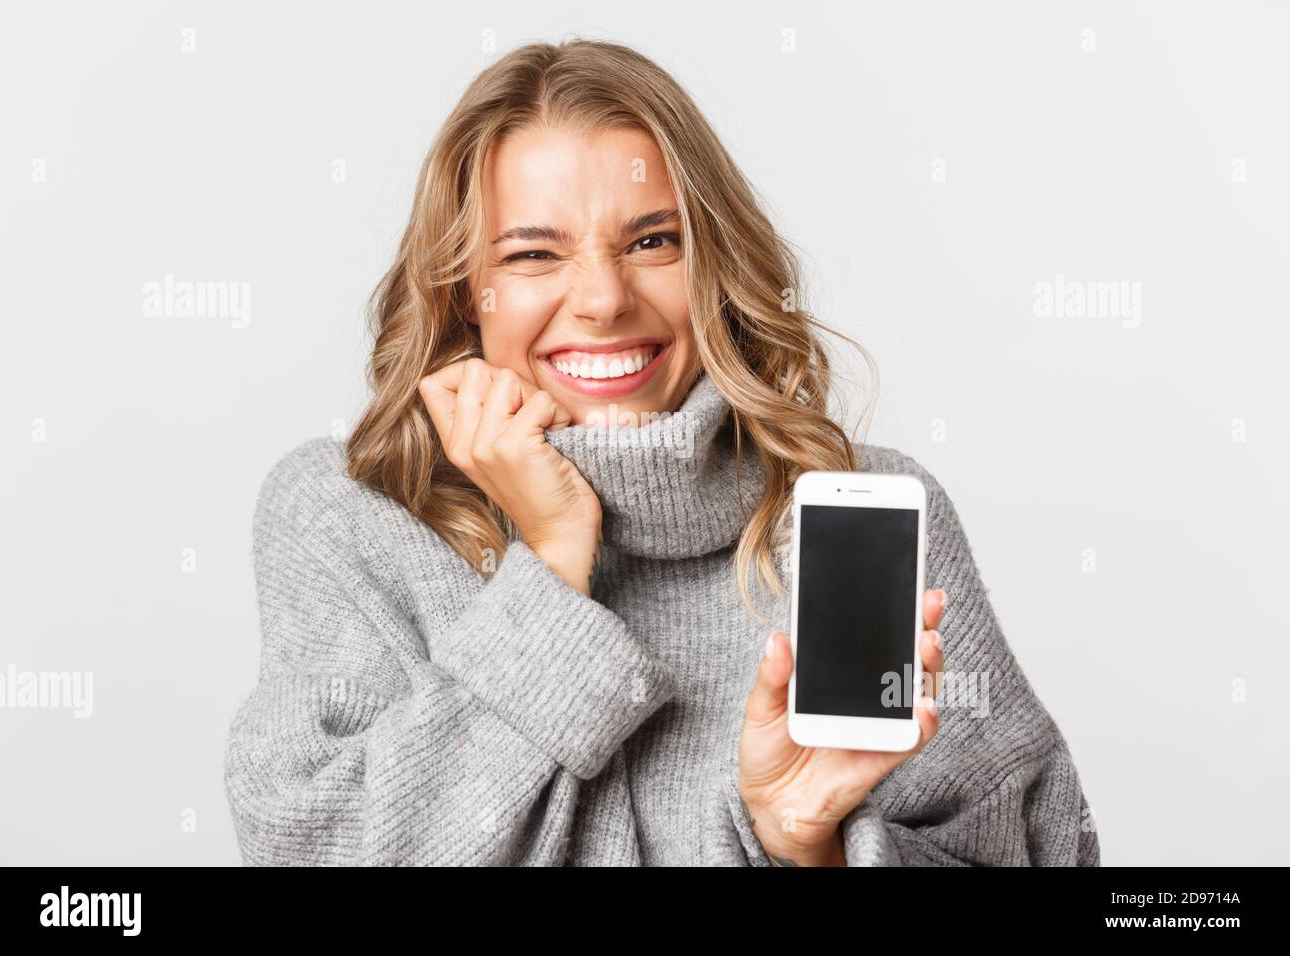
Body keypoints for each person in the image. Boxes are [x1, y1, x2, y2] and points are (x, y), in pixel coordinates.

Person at [223, 38, 1099, 866]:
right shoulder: (349, 517)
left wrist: (807, 848)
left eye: (652, 242)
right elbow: (318, 850)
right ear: (463, 293)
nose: (604, 299)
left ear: (713, 262)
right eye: (534, 253)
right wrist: (552, 565)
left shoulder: (858, 511)